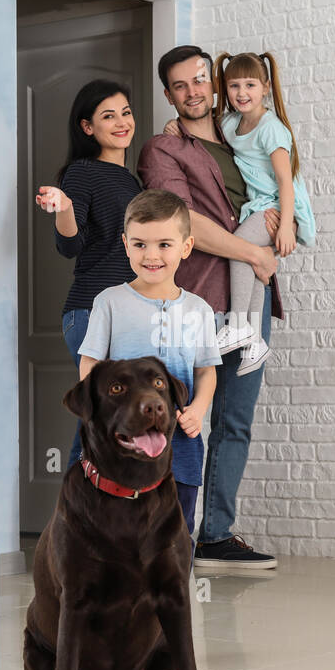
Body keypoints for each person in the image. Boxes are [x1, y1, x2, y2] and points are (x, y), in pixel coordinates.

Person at [137, 45, 285, 570]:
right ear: (168, 95)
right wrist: (254, 253)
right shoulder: (161, 150)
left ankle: (216, 536)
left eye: (200, 80)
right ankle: (166, 538)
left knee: (237, 418)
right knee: (185, 416)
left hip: (253, 294)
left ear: (213, 84)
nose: (193, 91)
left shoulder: (240, 134)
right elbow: (184, 225)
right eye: (180, 85)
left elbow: (276, 176)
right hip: (201, 298)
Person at [75, 189, 221, 532]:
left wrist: (198, 410)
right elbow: (89, 364)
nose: (151, 255)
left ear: (186, 247)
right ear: (126, 245)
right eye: (140, 244)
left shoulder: (198, 309)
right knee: (118, 530)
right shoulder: (109, 302)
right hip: (123, 440)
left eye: (164, 245)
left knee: (177, 531)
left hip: (179, 443)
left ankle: (173, 586)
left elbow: (207, 372)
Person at [167, 50, 316, 376]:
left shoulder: (271, 129)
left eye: (250, 85)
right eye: (234, 86)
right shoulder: (231, 123)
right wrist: (175, 125)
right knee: (250, 256)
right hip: (258, 207)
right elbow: (201, 123)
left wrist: (287, 225)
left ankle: (238, 324)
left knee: (240, 248)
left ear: (265, 88)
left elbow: (285, 181)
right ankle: (253, 341)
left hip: (276, 207)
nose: (242, 93)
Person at [36, 80, 143, 470]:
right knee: (100, 421)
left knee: (115, 424)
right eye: (108, 116)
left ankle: (100, 521)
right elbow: (70, 245)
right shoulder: (82, 173)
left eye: (125, 112)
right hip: (92, 312)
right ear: (87, 127)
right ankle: (75, 522)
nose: (121, 122)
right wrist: (63, 207)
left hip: (127, 312)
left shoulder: (132, 181)